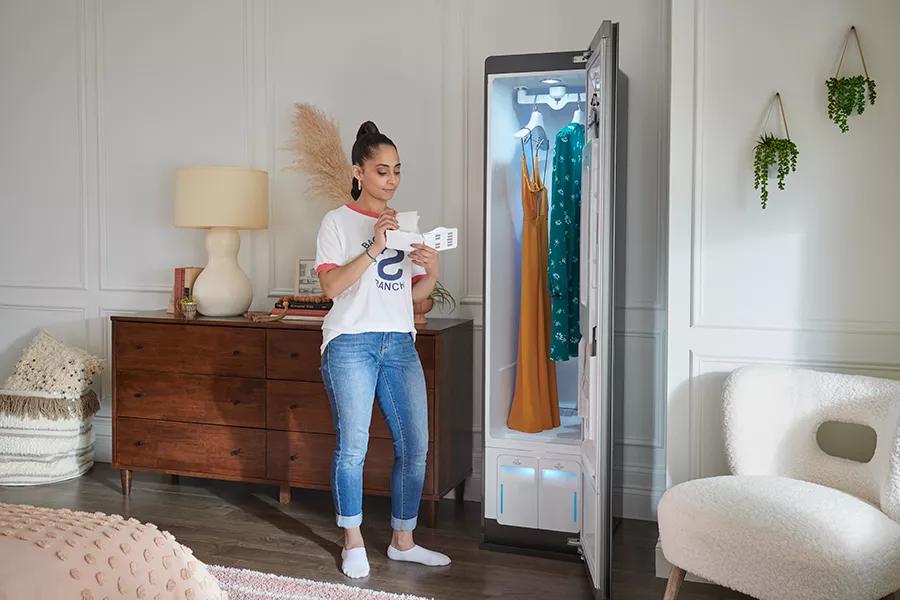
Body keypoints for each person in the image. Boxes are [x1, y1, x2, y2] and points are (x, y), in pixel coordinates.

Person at [314, 121, 451, 578]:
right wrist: (374, 245)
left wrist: (430, 270)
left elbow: (413, 297)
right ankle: (352, 539)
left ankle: (402, 540)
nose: (390, 180)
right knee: (352, 447)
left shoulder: (405, 225)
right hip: (350, 343)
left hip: (399, 343)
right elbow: (332, 287)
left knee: (415, 445)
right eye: (380, 171)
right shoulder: (336, 222)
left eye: (396, 171)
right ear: (359, 172)